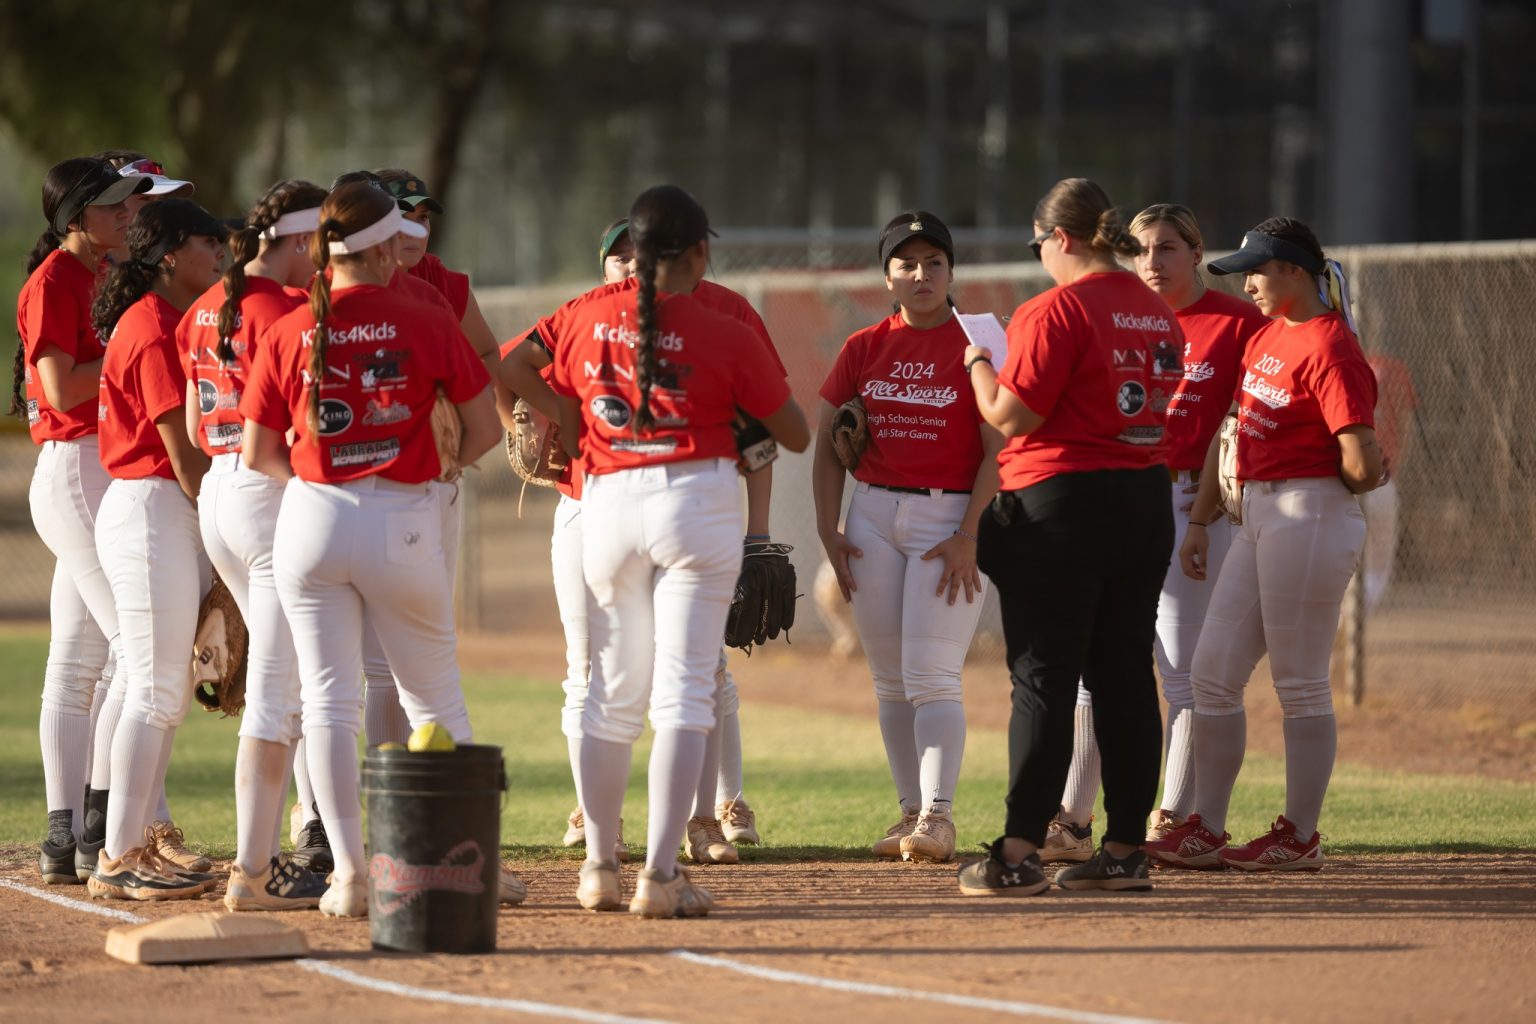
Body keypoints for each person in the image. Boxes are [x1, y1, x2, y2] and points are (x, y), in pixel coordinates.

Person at [505, 185, 808, 918]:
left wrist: (568, 411)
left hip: (605, 503)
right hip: (693, 505)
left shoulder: (582, 313)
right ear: (699, 251)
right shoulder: (722, 324)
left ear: (631, 253)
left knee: (608, 693)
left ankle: (601, 867)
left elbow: (512, 367)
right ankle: (661, 876)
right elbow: (794, 433)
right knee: (683, 693)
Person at [240, 182, 501, 916]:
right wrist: (432, 468)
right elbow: (482, 432)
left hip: (311, 519)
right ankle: (457, 865)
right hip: (401, 516)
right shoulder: (423, 314)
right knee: (434, 698)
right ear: (386, 247)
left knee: (328, 701)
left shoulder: (293, 325)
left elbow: (260, 449)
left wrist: (331, 486)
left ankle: (351, 876)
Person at [957, 178, 1180, 896]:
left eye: (1039, 245)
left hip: (1062, 501)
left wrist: (977, 363)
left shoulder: (1056, 307)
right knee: (1123, 679)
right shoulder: (1156, 309)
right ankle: (1122, 852)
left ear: (1060, 239)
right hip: (1143, 498)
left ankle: (1018, 852)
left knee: (1044, 680)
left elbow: (1011, 414)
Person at [1147, 217, 1383, 872]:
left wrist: (1354, 473)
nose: (1246, 281)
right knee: (1211, 673)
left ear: (1295, 274)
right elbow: (1232, 434)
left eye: (1258, 269)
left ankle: (1299, 834)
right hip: (1254, 512)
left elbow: (1362, 460)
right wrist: (1201, 518)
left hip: (1308, 512)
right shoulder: (1271, 336)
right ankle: (1206, 827)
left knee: (1300, 683)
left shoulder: (1331, 346)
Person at [1042, 203, 1268, 862]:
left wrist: (1203, 514)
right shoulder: (1119, 314)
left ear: (1197, 254)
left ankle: (1174, 813)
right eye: (1139, 248)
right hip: (1119, 491)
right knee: (1094, 663)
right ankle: (1072, 819)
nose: (1151, 262)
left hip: (1196, 503)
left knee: (1182, 670)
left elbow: (1253, 409)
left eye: (1168, 247)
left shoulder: (1236, 321)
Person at [812, 211, 1003, 864]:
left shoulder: (976, 340)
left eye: (934, 262)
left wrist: (970, 531)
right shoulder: (865, 346)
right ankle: (908, 813)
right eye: (906, 263)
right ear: (886, 274)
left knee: (932, 675)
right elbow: (827, 446)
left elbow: (997, 447)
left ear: (951, 271)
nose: (921, 275)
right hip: (872, 516)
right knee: (890, 679)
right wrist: (827, 529)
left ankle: (939, 816)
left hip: (947, 519)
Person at [179, 178, 333, 910]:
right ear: (301, 241)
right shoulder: (292, 310)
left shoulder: (206, 305)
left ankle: (283, 850)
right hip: (268, 493)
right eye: (322, 244)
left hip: (219, 488)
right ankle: (254, 869)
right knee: (278, 695)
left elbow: (189, 423)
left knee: (287, 686)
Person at [13, 157, 151, 885]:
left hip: (103, 468)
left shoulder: (105, 274)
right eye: (113, 206)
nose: (128, 214)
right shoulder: (55, 282)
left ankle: (64, 837)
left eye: (130, 205)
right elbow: (61, 386)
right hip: (77, 470)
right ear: (75, 220)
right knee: (136, 646)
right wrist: (131, 357)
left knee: (77, 664)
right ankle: (103, 825)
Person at [86, 198, 228, 901]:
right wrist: (236, 535)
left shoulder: (178, 319)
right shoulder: (152, 326)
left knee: (162, 692)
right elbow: (183, 456)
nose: (222, 252)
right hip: (151, 510)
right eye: (208, 240)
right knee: (152, 690)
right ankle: (117, 855)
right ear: (170, 253)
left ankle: (135, 842)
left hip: (166, 514)